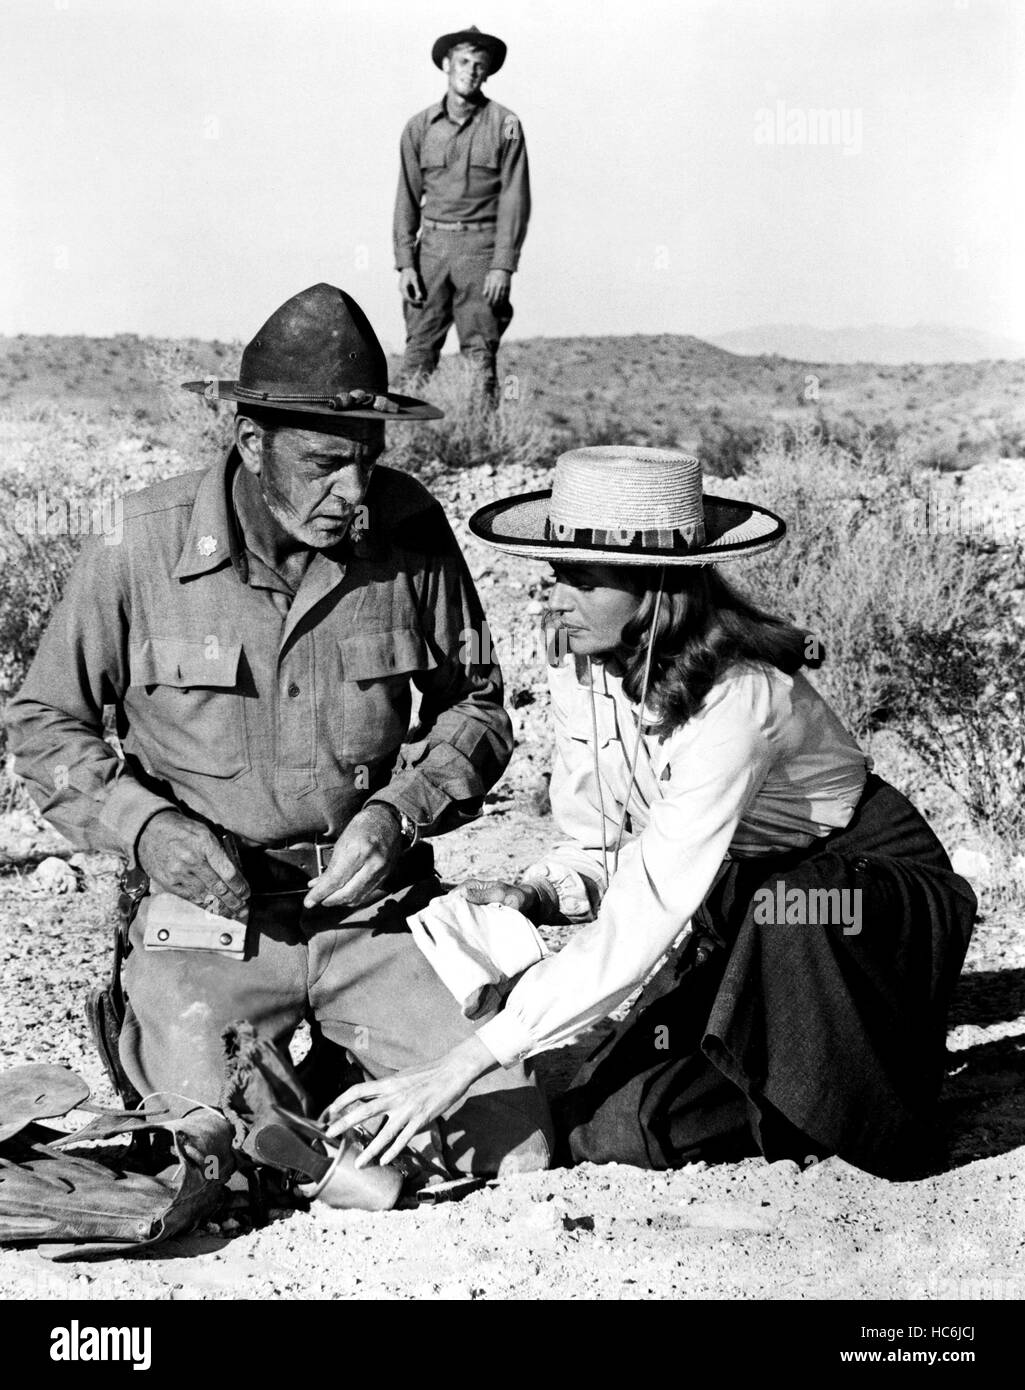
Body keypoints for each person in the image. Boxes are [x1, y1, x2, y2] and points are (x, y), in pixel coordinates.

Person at [6, 283, 552, 1181]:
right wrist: (146, 829)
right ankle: (270, 1097)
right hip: (209, 920)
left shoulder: (410, 530)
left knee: (512, 1150)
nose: (353, 491)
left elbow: (479, 706)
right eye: (324, 463)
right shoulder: (137, 545)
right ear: (252, 443)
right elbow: (42, 721)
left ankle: (338, 1069)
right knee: (218, 1155)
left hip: (371, 917)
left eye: (368, 460)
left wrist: (399, 814)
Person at [323, 445, 976, 1180]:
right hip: (740, 901)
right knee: (609, 1128)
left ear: (658, 586)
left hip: (856, 903)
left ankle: (872, 1087)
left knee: (791, 921)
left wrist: (459, 1066)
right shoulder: (583, 661)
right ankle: (777, 1064)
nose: (556, 601)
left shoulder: (738, 699)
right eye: (555, 576)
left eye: (583, 580)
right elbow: (603, 841)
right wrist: (536, 894)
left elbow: (649, 908)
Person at [393, 24, 530, 400]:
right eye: (464, 62)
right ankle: (406, 442)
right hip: (431, 251)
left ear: (487, 73)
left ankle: (478, 447)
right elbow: (406, 196)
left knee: (480, 357)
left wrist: (503, 264)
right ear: (446, 65)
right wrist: (406, 262)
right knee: (418, 352)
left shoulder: (506, 126)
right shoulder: (418, 128)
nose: (471, 71)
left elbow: (515, 199)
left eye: (479, 65)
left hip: (481, 251)